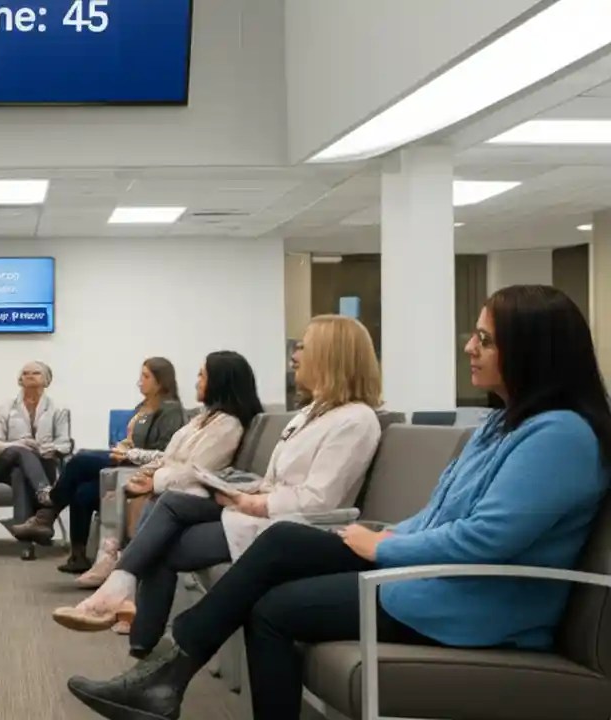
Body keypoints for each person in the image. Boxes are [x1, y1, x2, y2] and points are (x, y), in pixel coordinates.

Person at [67, 285, 611, 720]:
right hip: (435, 574)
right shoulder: (501, 424)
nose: (470, 347)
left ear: (533, 352)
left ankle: (165, 675)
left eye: (485, 339)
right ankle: (165, 678)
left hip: (474, 605)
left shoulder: (559, 437)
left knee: (272, 608)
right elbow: (442, 512)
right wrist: (394, 538)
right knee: (279, 544)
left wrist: (386, 547)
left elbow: (489, 540)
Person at [58, 325, 381, 657]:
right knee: (170, 503)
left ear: (331, 355)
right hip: (263, 507)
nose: (295, 356)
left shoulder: (356, 420)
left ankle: (129, 616)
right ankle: (124, 603)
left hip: (292, 525)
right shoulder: (307, 415)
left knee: (162, 542)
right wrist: (241, 490)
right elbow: (274, 479)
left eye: (304, 347)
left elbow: (317, 500)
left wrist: (250, 501)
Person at [56, 351, 264, 616]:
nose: (196, 381)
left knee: (150, 496)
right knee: (90, 484)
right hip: (174, 482)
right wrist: (148, 473)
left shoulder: (227, 425)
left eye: (202, 375)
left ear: (220, 381)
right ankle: (124, 589)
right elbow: (168, 457)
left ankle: (121, 583)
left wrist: (151, 480)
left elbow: (196, 470)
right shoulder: (202, 419)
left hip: (200, 492)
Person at [9, 357, 187, 573]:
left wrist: (127, 453)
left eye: (146, 376)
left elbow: (164, 454)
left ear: (161, 381)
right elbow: (132, 439)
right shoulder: (143, 407)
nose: (139, 382)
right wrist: (124, 448)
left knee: (81, 460)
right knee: (82, 492)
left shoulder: (170, 410)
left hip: (141, 469)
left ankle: (48, 511)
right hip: (127, 461)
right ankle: (78, 556)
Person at [0, 361, 73, 560]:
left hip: (41, 464)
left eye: (35, 373)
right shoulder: (7, 407)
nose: (30, 376)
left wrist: (45, 449)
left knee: (21, 476)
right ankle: (45, 496)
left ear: (46, 380)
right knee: (20, 453)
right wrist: (20, 444)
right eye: (25, 373)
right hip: (5, 465)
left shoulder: (58, 409)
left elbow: (65, 445)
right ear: (20, 379)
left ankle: (26, 544)